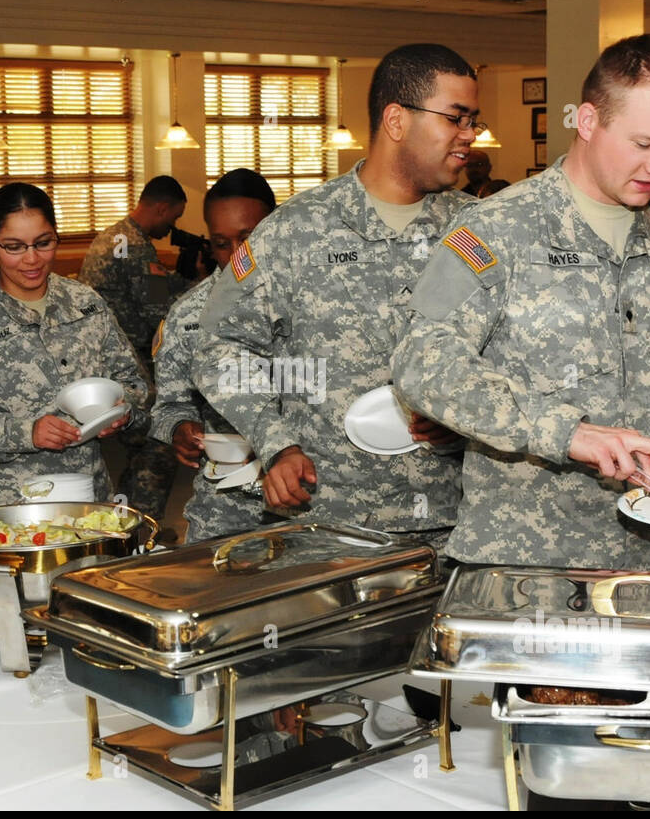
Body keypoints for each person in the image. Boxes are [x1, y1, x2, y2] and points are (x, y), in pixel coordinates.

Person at [391, 34, 650, 571]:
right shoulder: (495, 231)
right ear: (588, 121)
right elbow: (423, 363)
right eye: (643, 143)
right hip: (525, 568)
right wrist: (567, 432)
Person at [195, 43, 476, 544]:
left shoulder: (477, 231)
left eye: (472, 119)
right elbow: (221, 348)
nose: (469, 136)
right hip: (330, 520)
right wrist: (276, 443)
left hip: (456, 517)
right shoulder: (294, 232)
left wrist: (470, 413)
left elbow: (519, 353)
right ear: (396, 120)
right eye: (456, 118)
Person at [0, 183, 148, 510]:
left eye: (43, 243)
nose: (32, 259)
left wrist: (123, 410)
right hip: (5, 510)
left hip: (88, 502)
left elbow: (133, 383)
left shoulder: (85, 304)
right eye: (14, 247)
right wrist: (26, 432)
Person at [149, 169, 277, 541]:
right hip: (225, 507)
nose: (236, 256)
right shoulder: (189, 315)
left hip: (311, 499)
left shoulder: (315, 302)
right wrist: (179, 429)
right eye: (221, 243)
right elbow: (169, 405)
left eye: (247, 238)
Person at [79, 176, 188, 526]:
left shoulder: (113, 234)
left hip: (100, 363)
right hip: (124, 363)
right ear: (161, 207)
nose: (172, 226)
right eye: (173, 217)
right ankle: (141, 527)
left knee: (143, 444)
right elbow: (157, 311)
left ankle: (124, 520)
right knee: (162, 438)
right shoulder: (136, 245)